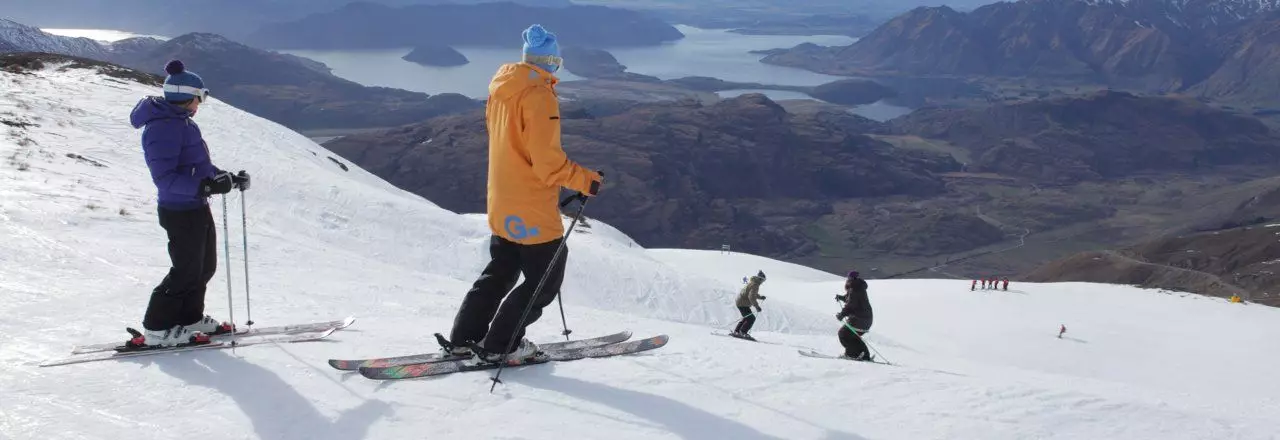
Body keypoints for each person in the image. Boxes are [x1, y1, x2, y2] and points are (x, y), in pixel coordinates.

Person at [443, 24, 603, 363]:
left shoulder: (501, 91)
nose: (556, 70)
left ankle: (464, 338)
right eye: (556, 63)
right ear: (548, 61)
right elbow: (547, 163)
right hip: (531, 206)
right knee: (544, 279)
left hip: (501, 200)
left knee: (500, 271)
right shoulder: (539, 96)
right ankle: (502, 346)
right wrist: (586, 180)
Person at [129, 60, 250, 347]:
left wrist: (226, 179)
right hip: (178, 211)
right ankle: (157, 328)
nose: (202, 103)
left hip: (196, 206)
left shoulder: (181, 123)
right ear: (187, 96)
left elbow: (198, 165)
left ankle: (190, 317)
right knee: (184, 271)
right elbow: (164, 178)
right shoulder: (162, 129)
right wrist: (205, 186)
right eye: (201, 97)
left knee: (204, 267)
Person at [835, 270, 874, 360]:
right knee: (853, 336)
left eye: (848, 278)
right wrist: (841, 297)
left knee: (843, 334)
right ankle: (864, 355)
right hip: (866, 320)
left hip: (859, 319)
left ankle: (851, 355)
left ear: (850, 278)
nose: (847, 280)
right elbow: (850, 299)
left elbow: (850, 305)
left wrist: (841, 315)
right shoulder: (858, 287)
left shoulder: (854, 289)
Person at [731, 271, 767, 340]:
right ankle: (743, 332)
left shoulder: (753, 283)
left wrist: (760, 297)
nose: (763, 282)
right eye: (762, 280)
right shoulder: (755, 285)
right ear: (759, 279)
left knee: (747, 317)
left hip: (740, 302)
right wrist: (757, 307)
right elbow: (751, 297)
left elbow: (752, 294)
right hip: (742, 303)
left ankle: (737, 331)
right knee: (751, 318)